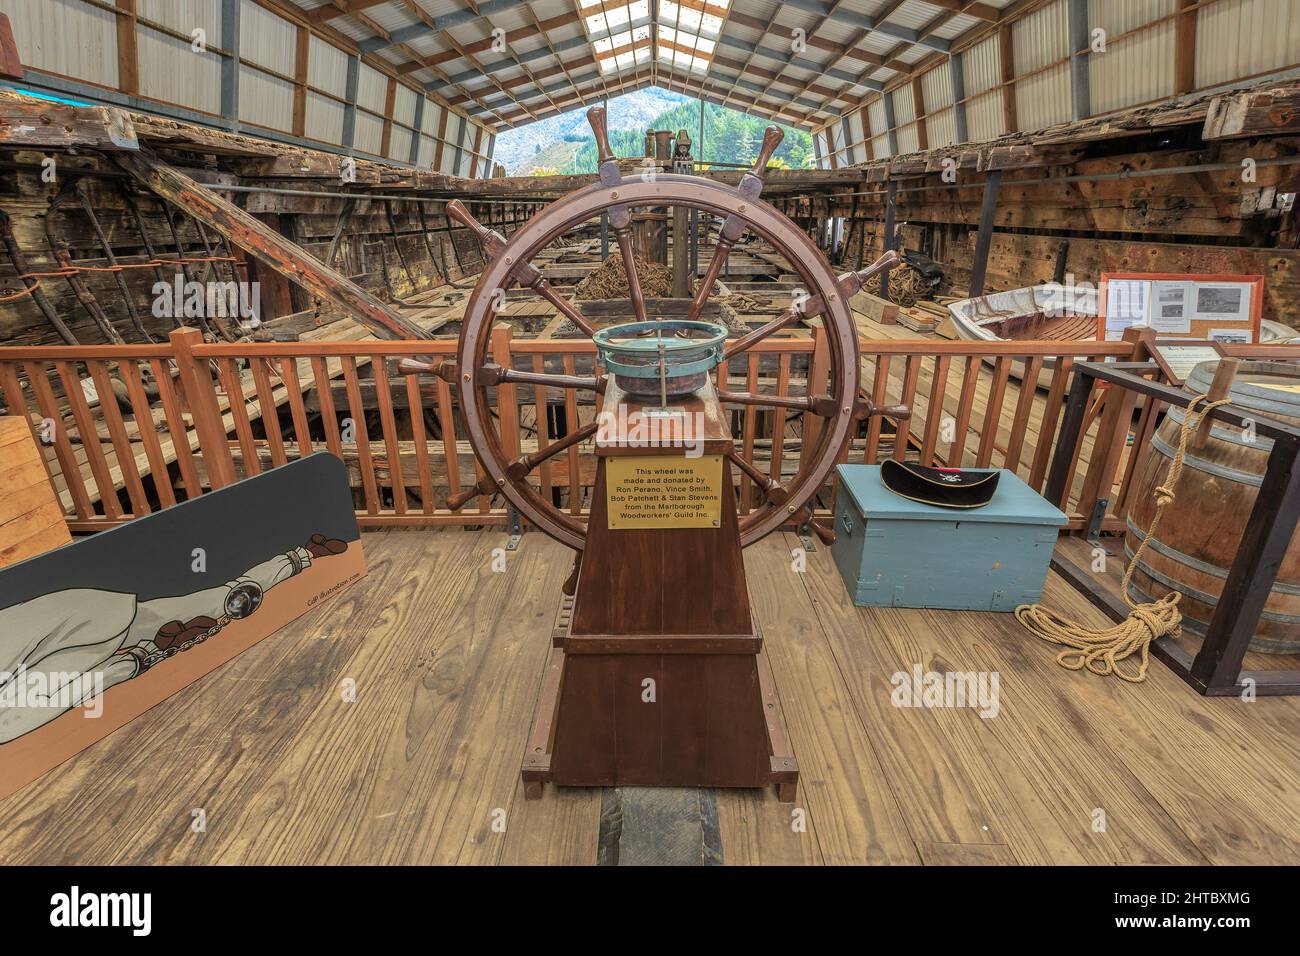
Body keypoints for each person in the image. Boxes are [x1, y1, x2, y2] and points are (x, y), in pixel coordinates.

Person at [0, 534, 347, 744]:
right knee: (210, 602)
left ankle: (145, 653)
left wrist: (136, 661)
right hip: (79, 612)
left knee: (40, 700)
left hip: (65, 640)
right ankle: (301, 556)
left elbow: (61, 694)